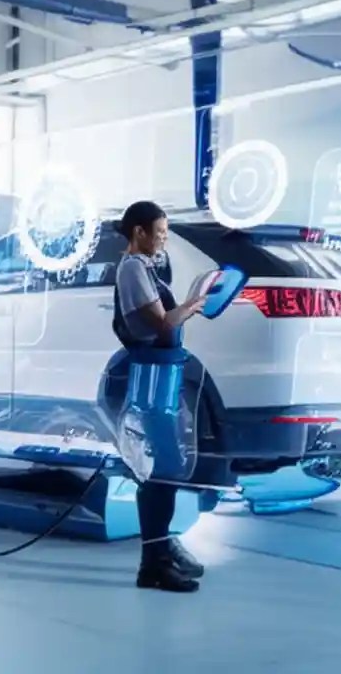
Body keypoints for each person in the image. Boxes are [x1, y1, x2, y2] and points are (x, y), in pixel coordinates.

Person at [113, 200, 208, 593]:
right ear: (139, 232)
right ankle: (154, 561)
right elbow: (163, 323)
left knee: (167, 466)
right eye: (160, 233)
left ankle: (160, 551)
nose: (163, 240)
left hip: (161, 379)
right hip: (152, 382)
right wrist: (192, 306)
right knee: (164, 468)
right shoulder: (133, 268)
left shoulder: (142, 268)